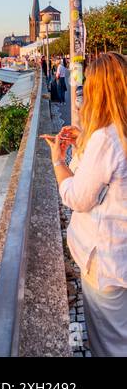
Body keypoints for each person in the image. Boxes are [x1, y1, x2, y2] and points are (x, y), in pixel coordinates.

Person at [43, 52, 127, 356]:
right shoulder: (115, 134)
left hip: (109, 260)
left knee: (112, 344)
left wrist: (57, 159)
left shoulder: (107, 139)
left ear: (98, 90)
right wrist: (85, 143)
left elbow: (77, 197)